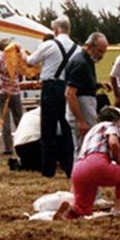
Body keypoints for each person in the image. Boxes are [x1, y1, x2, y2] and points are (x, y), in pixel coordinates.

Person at [54, 107, 120, 219]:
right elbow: (113, 143)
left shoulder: (91, 131)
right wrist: (119, 161)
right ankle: (118, 208)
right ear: (117, 121)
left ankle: (69, 212)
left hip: (79, 168)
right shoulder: (110, 125)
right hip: (96, 164)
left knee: (83, 210)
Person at [26, 17, 78, 178]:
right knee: (67, 127)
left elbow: (30, 61)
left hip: (51, 86)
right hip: (69, 87)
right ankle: (70, 167)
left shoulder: (49, 45)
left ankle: (48, 169)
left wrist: (22, 53)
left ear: (55, 30)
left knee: (48, 128)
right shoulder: (77, 48)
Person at [65, 32, 109, 163]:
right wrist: (81, 120)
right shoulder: (81, 63)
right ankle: (81, 175)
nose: (101, 56)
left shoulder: (87, 61)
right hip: (81, 107)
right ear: (89, 46)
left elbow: (82, 85)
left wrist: (98, 85)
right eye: (99, 51)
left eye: (103, 52)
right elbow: (70, 93)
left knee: (84, 145)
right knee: (83, 146)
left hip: (86, 104)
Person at [0, 38, 24, 157]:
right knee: (19, 120)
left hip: (2, 91)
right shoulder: (14, 58)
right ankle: (22, 144)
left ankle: (8, 148)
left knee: (4, 120)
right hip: (15, 90)